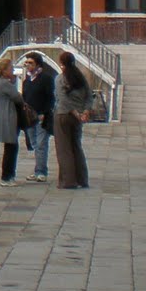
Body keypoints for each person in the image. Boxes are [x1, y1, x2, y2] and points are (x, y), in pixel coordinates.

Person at [54, 51, 92, 190]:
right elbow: (89, 96)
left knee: (64, 149)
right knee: (76, 146)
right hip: (78, 118)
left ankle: (68, 181)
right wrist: (85, 112)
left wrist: (76, 113)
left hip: (63, 115)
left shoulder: (60, 79)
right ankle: (82, 179)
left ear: (61, 63)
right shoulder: (81, 78)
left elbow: (63, 99)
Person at [20, 52, 55, 183]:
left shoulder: (46, 79)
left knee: (41, 144)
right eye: (27, 63)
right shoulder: (26, 81)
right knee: (34, 143)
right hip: (29, 118)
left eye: (30, 63)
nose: (28, 65)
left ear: (37, 64)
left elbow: (51, 98)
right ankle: (38, 169)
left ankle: (41, 171)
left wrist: (44, 113)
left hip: (41, 117)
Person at [0, 58, 22, 186]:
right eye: (10, 68)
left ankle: (9, 176)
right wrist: (14, 83)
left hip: (2, 116)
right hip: (7, 117)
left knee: (10, 147)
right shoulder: (4, 83)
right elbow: (17, 97)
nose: (13, 70)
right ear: (4, 71)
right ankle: (7, 177)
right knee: (11, 148)